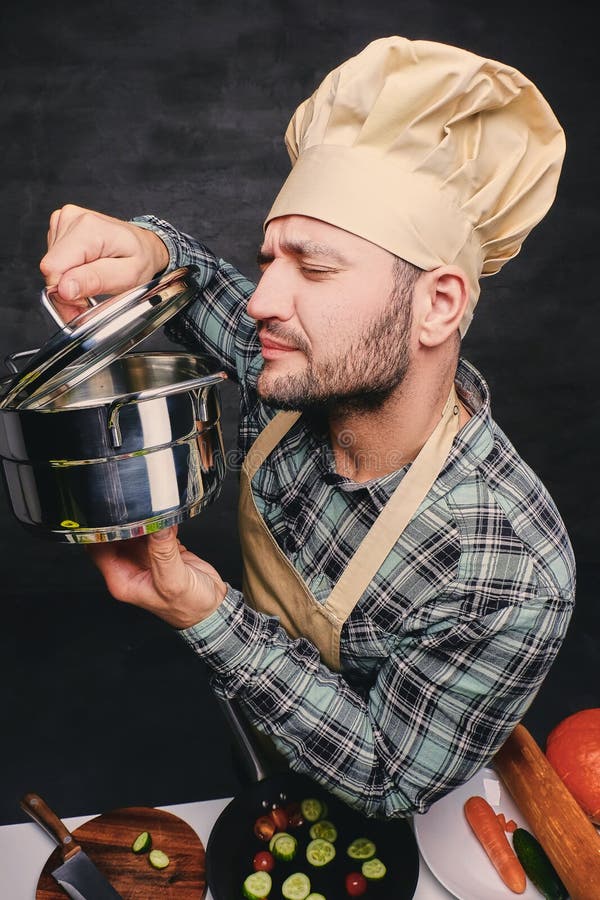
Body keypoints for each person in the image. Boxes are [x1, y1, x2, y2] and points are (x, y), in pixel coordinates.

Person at [40, 36, 575, 819]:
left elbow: (391, 774)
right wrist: (149, 248)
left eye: (314, 268)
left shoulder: (510, 574)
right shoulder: (294, 369)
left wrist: (202, 609)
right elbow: (192, 283)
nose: (261, 301)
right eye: (271, 259)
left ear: (439, 304)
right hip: (235, 743)